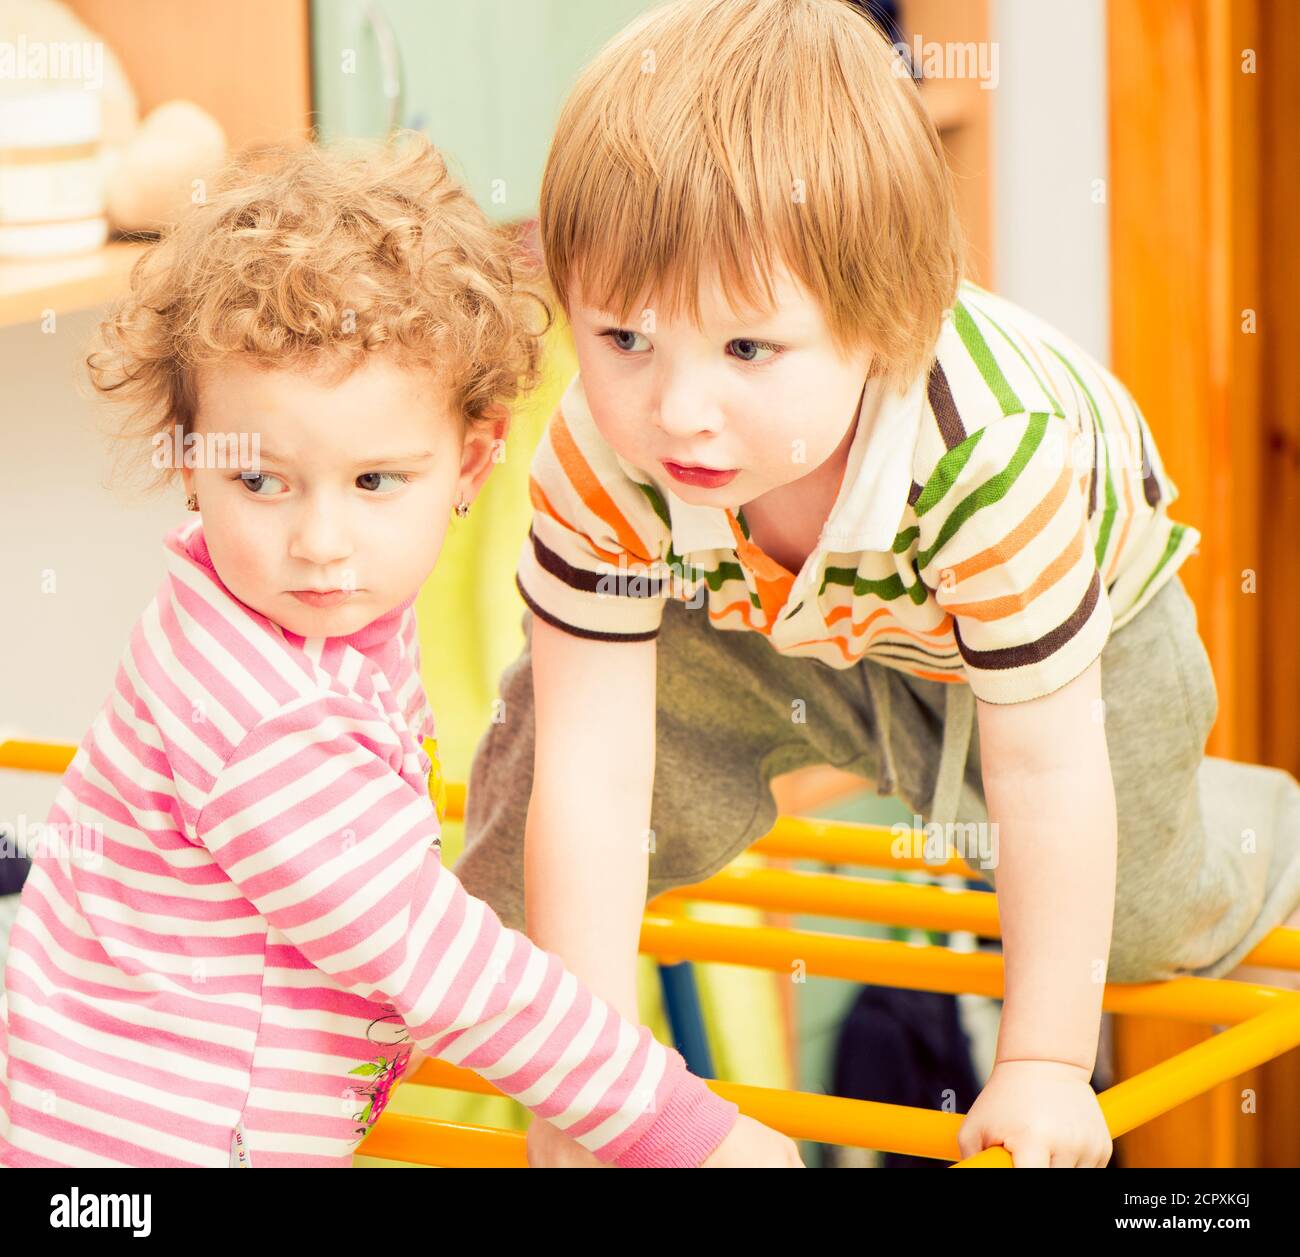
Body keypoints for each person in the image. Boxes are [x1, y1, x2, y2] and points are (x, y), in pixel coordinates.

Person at [454, 0, 1300, 1168]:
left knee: (1138, 923)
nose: (678, 410)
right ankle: (458, 1000)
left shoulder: (991, 457)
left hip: (1074, 625)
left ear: (883, 322)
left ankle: (1271, 840)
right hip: (785, 606)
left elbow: (1046, 769)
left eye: (748, 348)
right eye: (622, 339)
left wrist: (1046, 1065)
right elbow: (592, 779)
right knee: (541, 773)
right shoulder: (609, 455)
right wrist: (576, 1095)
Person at [0, 135, 801, 1169]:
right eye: (262, 482)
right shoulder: (262, 720)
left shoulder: (303, 619)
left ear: (469, 464)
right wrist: (682, 1130)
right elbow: (432, 956)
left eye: (375, 482)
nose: (321, 543)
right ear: (191, 463)